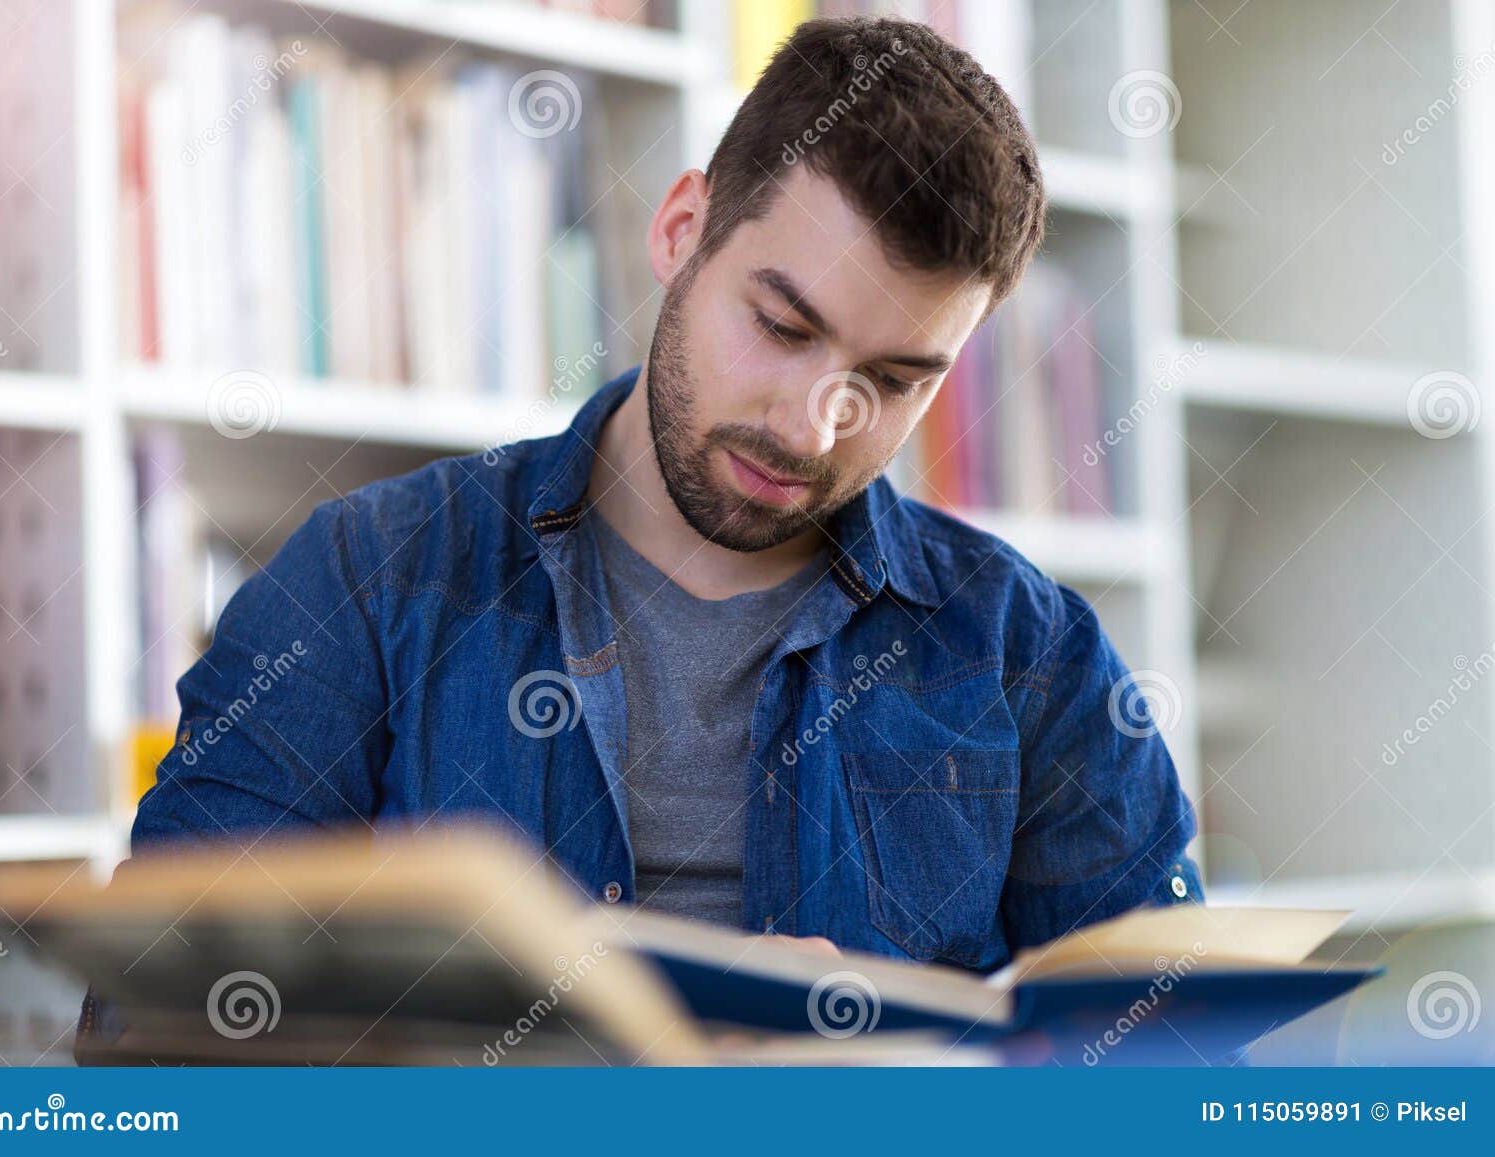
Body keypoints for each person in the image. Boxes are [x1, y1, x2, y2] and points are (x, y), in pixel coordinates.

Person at [79, 15, 1200, 1055]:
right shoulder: (367, 582)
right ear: (679, 231)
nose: (813, 425)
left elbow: (1181, 1067)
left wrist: (904, 1073)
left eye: (892, 381)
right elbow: (154, 1040)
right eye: (780, 325)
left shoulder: (1028, 653)